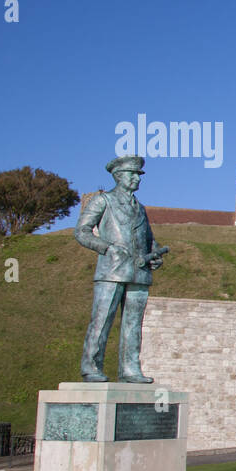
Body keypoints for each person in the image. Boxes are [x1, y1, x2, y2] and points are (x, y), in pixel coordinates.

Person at [75, 155, 168, 383]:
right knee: (102, 320)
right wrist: (106, 248)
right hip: (112, 271)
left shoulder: (141, 208)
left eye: (138, 174)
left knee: (133, 325)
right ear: (118, 176)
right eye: (132, 174)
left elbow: (148, 239)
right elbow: (82, 232)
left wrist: (155, 255)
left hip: (139, 272)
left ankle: (130, 369)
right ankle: (91, 366)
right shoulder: (103, 201)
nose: (137, 178)